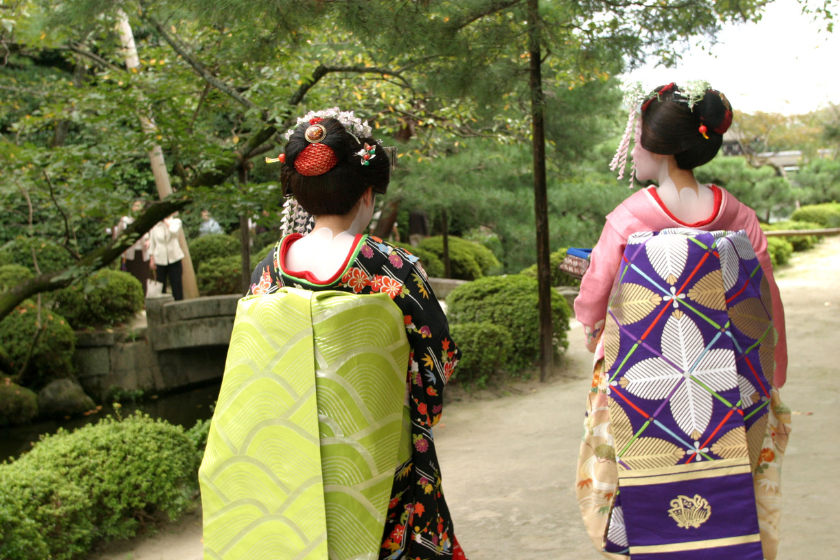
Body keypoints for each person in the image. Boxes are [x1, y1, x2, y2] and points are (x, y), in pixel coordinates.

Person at [198, 109, 466, 560]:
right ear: (367, 193)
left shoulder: (269, 271)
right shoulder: (392, 268)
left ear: (301, 197)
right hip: (380, 458)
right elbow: (438, 361)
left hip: (289, 463)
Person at [573, 83, 790, 560]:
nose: (632, 152)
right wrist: (774, 368)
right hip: (730, 378)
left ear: (661, 149)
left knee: (628, 470)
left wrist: (590, 324)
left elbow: (596, 289)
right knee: (739, 470)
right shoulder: (738, 214)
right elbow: (765, 296)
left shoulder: (630, 216)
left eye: (636, 141)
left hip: (641, 377)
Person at [113, 200, 151, 296]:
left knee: (142, 278)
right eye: (135, 206)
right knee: (130, 277)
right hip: (129, 254)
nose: (137, 208)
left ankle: (142, 299)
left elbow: (152, 235)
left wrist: (149, 241)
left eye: (139, 206)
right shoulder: (125, 221)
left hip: (142, 253)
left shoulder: (146, 220)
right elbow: (117, 236)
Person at [148, 213, 185, 301]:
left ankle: (178, 303)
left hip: (174, 257)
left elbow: (174, 231)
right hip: (160, 258)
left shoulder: (175, 222)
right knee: (161, 284)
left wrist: (166, 221)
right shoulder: (155, 226)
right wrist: (152, 258)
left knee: (176, 283)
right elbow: (152, 243)